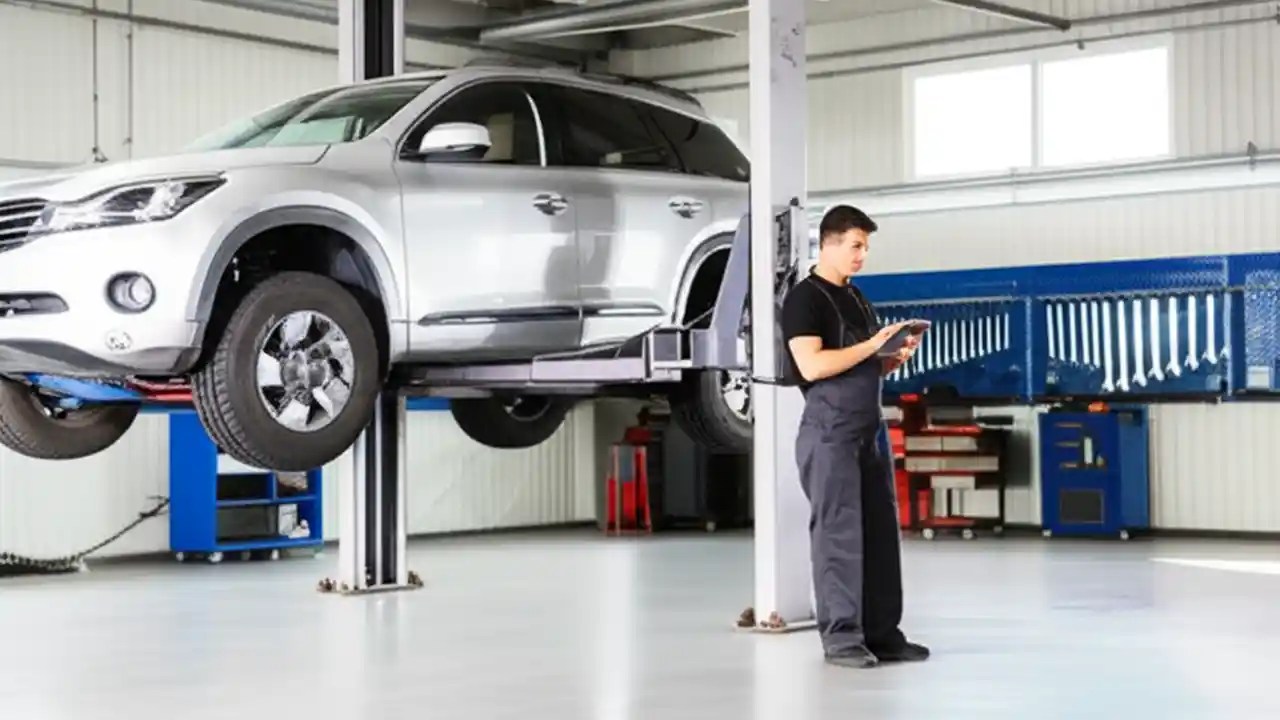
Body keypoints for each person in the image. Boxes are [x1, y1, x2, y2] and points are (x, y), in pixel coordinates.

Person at [780, 204, 930, 669]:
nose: (862, 255)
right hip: (829, 432)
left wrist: (890, 356)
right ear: (828, 242)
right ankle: (842, 639)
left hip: (869, 427)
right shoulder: (804, 299)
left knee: (881, 533)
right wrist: (871, 345)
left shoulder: (857, 297)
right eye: (855, 245)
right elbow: (812, 365)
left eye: (866, 246)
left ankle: (883, 635)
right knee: (838, 536)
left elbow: (859, 360)